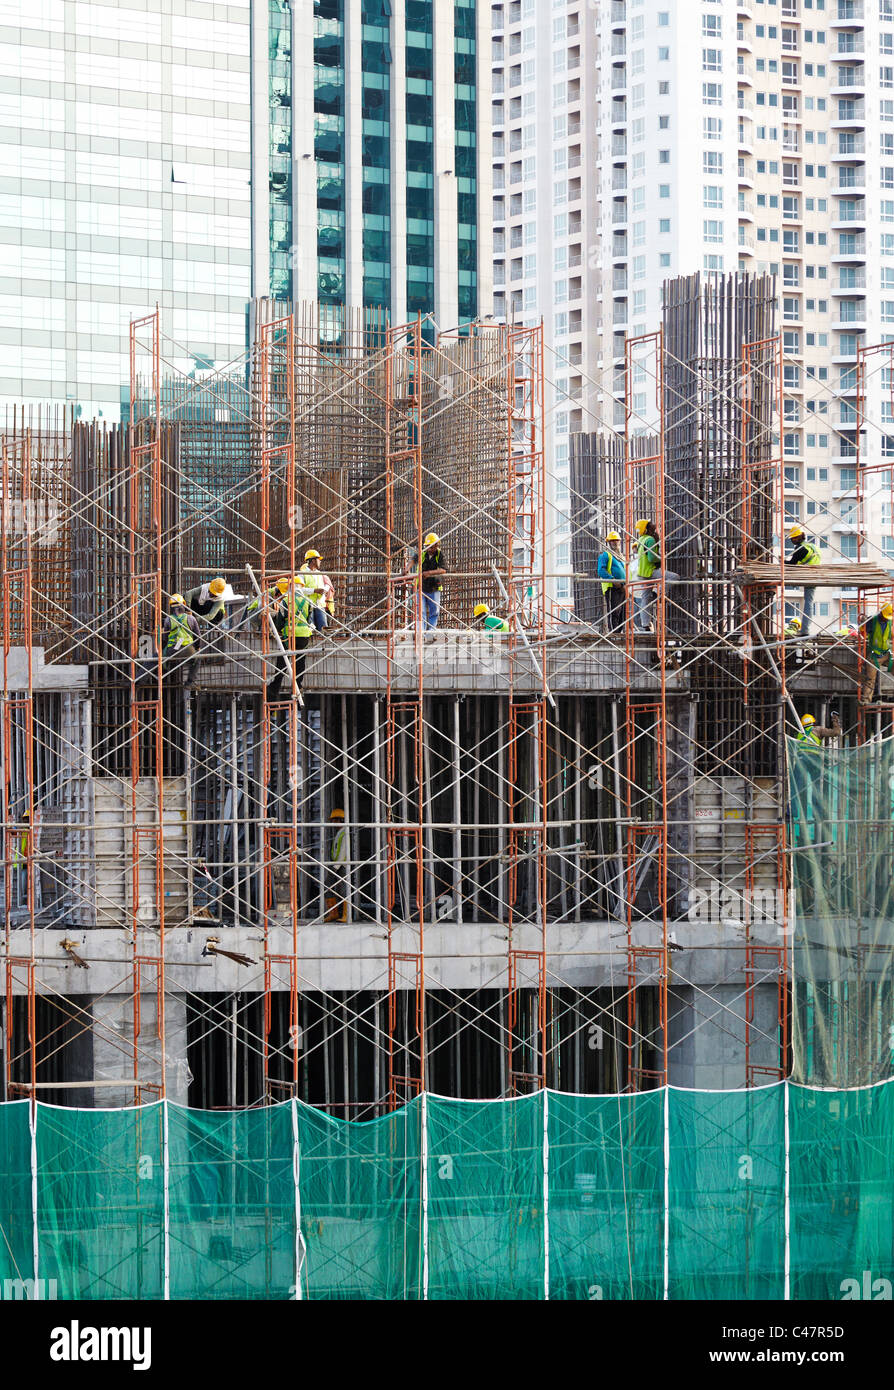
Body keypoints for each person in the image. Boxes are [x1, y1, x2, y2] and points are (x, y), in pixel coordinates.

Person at [268, 578, 314, 698]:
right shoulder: (307, 601)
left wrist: (277, 629)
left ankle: (274, 688)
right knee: (300, 661)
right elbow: (309, 619)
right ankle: (297, 686)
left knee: (282, 661)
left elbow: (280, 619)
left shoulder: (286, 600)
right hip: (304, 635)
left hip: (289, 634)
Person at [632, 518, 680, 633]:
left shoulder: (641, 539)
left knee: (645, 599)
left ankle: (645, 624)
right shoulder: (649, 540)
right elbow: (651, 557)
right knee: (674, 577)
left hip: (642, 573)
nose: (653, 524)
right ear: (647, 528)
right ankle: (658, 594)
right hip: (651, 571)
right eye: (650, 524)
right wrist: (662, 558)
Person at [786, 525, 821, 636]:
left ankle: (805, 629)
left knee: (808, 602)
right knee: (809, 601)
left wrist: (782, 562)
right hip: (814, 575)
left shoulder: (800, 548)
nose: (792, 540)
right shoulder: (812, 546)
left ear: (797, 537)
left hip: (807, 575)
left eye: (793, 538)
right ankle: (805, 628)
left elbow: (792, 564)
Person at [161, 594, 202, 685]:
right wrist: (198, 648)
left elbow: (165, 639)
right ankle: (189, 682)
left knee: (156, 659)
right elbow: (198, 637)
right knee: (198, 658)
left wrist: (166, 650)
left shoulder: (168, 619)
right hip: (188, 650)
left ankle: (140, 681)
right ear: (183, 604)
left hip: (172, 651)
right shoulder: (191, 618)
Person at [859, 602, 893, 704]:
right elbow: (863, 633)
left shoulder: (890, 622)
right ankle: (866, 700)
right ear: (881, 613)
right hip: (874, 655)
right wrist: (863, 624)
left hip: (886, 653)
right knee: (870, 679)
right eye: (886, 616)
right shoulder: (872, 621)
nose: (887, 618)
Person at [597, 530, 626, 633]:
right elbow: (601, 570)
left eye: (617, 541)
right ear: (608, 542)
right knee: (614, 611)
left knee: (623, 613)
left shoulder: (621, 557)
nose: (615, 543)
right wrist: (613, 580)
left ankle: (620, 632)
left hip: (623, 588)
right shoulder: (606, 555)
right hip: (612, 587)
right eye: (612, 541)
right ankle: (614, 633)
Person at [324, 807, 348, 922]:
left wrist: (335, 867)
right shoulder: (340, 832)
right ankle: (333, 913)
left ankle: (345, 915)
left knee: (344, 889)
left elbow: (343, 851)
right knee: (328, 885)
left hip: (342, 866)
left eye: (334, 820)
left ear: (340, 820)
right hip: (336, 865)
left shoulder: (345, 832)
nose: (332, 823)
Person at [420, 532, 446, 631]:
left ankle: (431, 632)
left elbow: (443, 570)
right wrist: (407, 568)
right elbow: (413, 560)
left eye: (432, 547)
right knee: (420, 611)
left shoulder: (440, 554)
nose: (430, 549)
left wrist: (429, 572)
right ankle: (420, 633)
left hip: (435, 587)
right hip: (421, 586)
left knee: (434, 611)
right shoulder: (422, 553)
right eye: (428, 547)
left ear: (436, 545)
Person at [299, 549, 330, 634]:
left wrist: (324, 590)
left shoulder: (319, 573)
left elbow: (326, 585)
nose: (320, 561)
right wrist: (314, 590)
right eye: (318, 559)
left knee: (324, 629)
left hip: (320, 605)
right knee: (310, 629)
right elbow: (300, 590)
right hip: (308, 606)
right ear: (313, 561)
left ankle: (324, 646)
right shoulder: (302, 574)